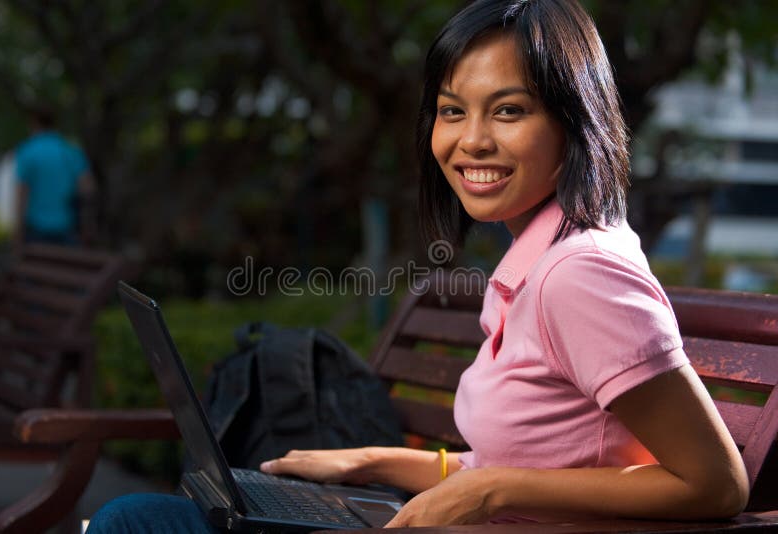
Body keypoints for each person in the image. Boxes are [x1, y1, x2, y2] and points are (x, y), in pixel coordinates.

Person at [86, 0, 748, 530]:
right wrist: (371, 461)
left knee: (130, 521)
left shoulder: (582, 274)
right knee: (142, 518)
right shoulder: (535, 259)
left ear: (574, 122)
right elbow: (528, 460)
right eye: (452, 111)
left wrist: (489, 492)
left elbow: (714, 483)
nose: (471, 140)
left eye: (509, 110)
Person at [14, 105, 96, 247]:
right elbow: (88, 189)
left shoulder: (28, 151)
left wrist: (18, 233)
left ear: (34, 122)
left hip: (36, 229)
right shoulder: (70, 150)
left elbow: (22, 195)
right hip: (67, 228)